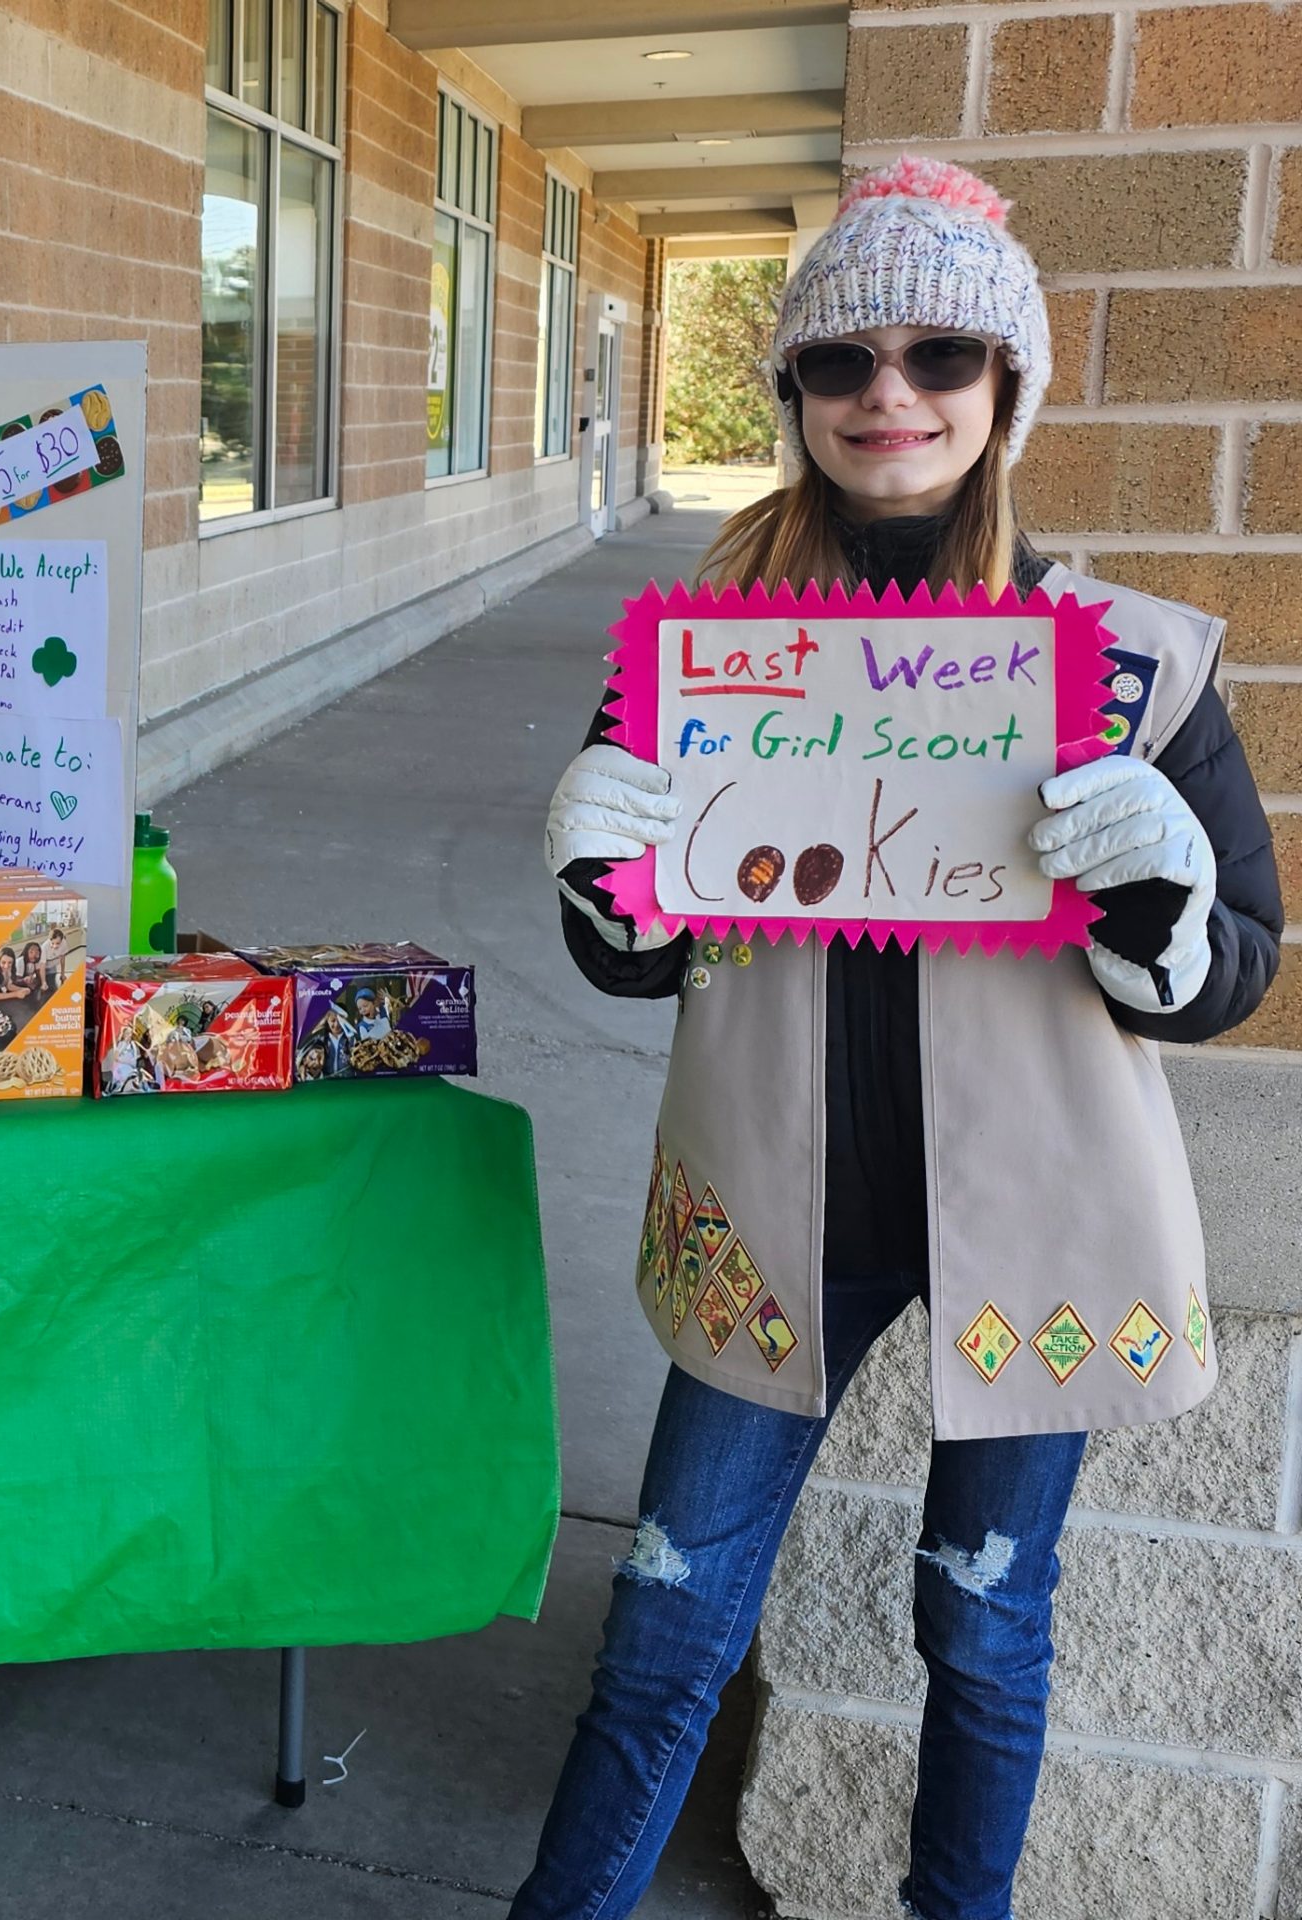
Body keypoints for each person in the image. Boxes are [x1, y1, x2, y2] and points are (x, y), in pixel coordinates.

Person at [526, 157, 1282, 1920]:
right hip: (775, 1213)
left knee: (986, 1622)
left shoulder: (1133, 668)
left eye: (944, 356)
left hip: (1039, 1220)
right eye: (844, 361)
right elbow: (640, 959)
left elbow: (1237, 962)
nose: (893, 394)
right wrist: (600, 874)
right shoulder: (699, 664)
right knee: (663, 1623)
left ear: (1002, 391)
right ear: (790, 393)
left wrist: (1163, 900)